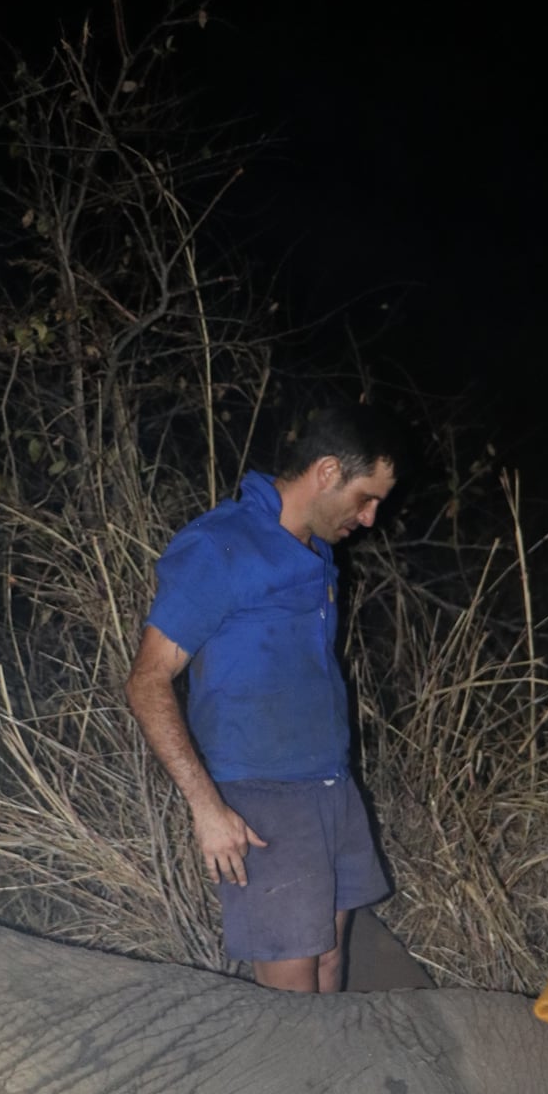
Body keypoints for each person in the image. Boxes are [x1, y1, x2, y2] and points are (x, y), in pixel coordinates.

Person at [126, 404, 399, 992]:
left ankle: (333, 1080)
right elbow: (146, 681)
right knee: (289, 993)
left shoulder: (316, 549)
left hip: (331, 784)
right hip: (264, 798)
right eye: (365, 498)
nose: (371, 518)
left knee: (330, 961)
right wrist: (207, 807)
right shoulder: (219, 548)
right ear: (327, 472)